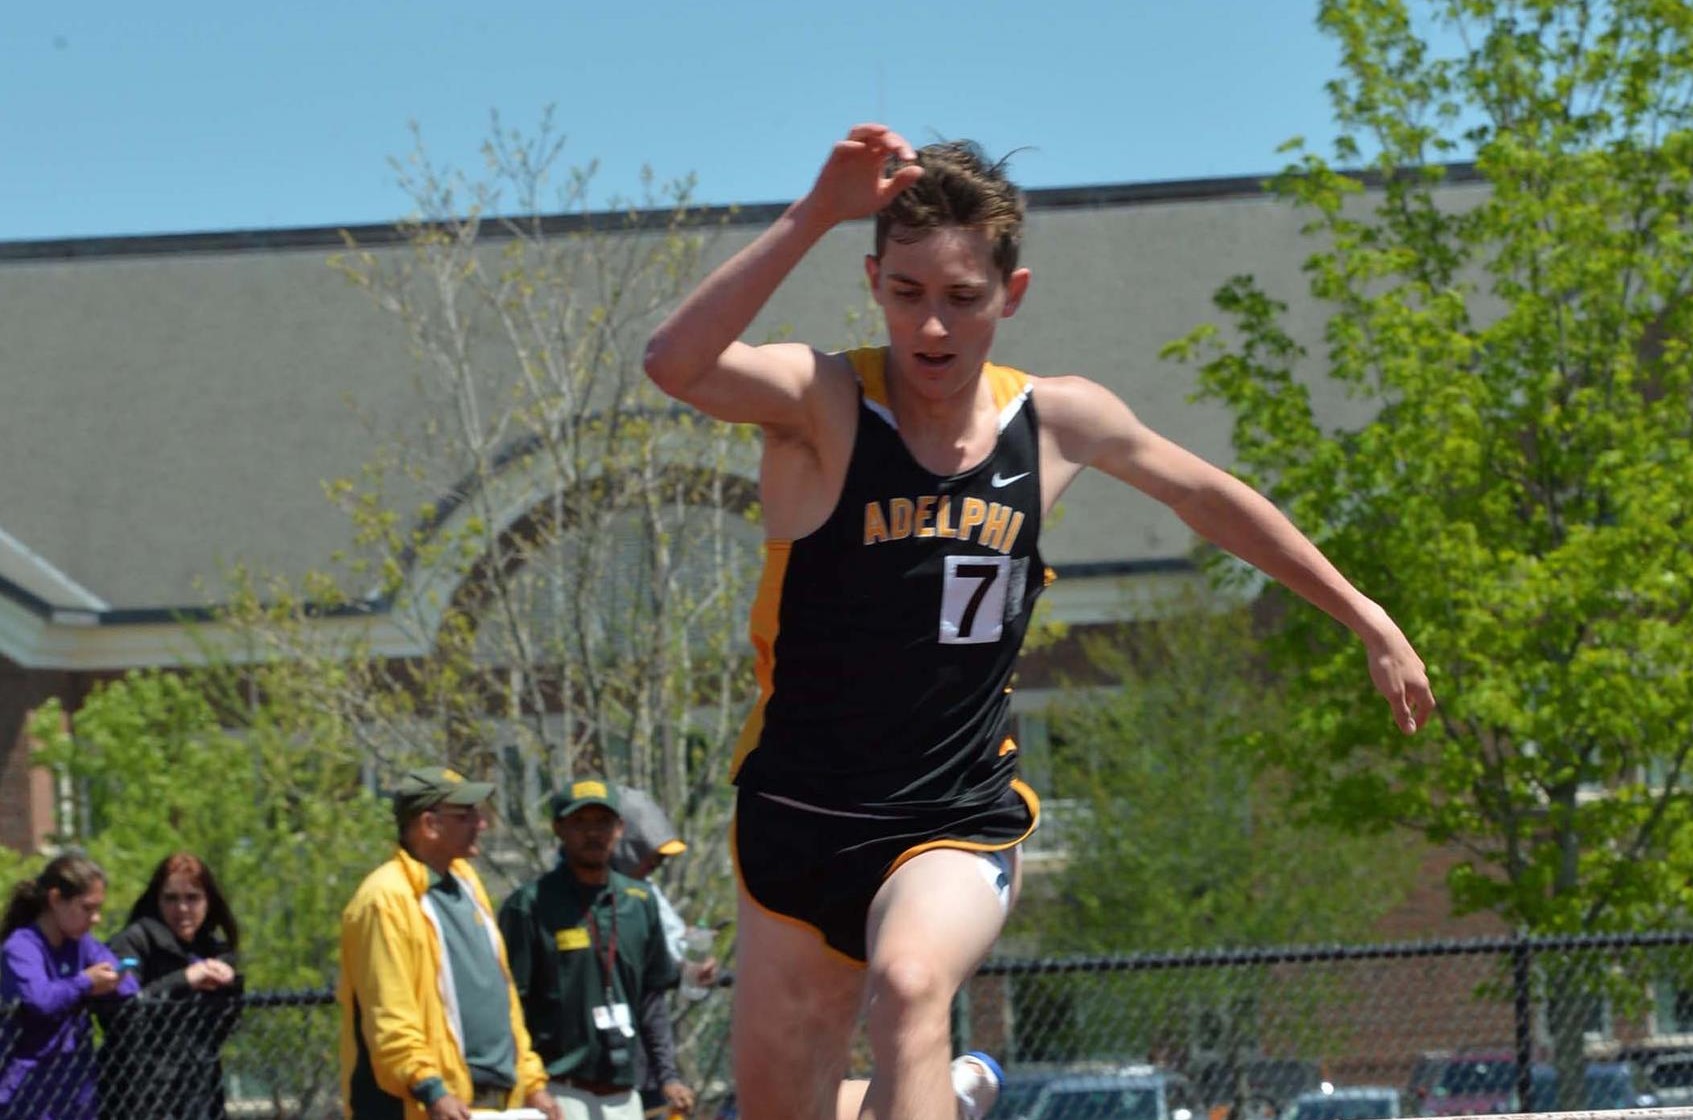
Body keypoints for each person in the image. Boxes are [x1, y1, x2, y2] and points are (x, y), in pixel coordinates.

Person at [640, 125, 1435, 1120]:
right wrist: (814, 214)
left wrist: (1364, 615)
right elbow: (673, 362)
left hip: (952, 818)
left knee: (911, 988)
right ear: (873, 280)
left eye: (962, 298)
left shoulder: (1054, 422)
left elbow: (1205, 497)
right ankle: (952, 1091)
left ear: (1009, 296)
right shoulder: (823, 402)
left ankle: (931, 1074)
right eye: (907, 295)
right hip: (796, 820)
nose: (933, 326)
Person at [337, 766, 562, 1120]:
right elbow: (390, 1014)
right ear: (430, 825)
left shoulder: (467, 884)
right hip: (423, 1107)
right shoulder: (384, 899)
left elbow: (502, 999)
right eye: (465, 815)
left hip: (492, 1102)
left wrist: (533, 1084)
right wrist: (431, 1089)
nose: (481, 823)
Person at [499, 778, 683, 1120]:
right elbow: (509, 1005)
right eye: (580, 823)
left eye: (603, 822)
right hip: (558, 1091)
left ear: (620, 829)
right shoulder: (529, 905)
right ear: (559, 829)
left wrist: (668, 1076)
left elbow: (652, 998)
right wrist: (531, 1086)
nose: (593, 833)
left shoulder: (640, 902)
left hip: (624, 1095)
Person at [98, 852, 245, 1120]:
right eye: (171, 898)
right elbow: (121, 1014)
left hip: (199, 1091)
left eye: (193, 898)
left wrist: (231, 986)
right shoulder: (133, 942)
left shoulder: (212, 949)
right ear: (157, 900)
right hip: (139, 1094)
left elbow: (222, 1029)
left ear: (209, 901)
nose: (183, 909)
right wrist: (185, 980)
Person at [0, 851, 139, 1120]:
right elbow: (40, 1000)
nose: (96, 918)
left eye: (98, 909)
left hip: (75, 1089)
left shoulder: (81, 943)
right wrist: (85, 983)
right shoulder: (21, 946)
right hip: (28, 1091)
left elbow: (128, 986)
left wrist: (111, 981)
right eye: (87, 908)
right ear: (55, 900)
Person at [607, 787, 712, 1117]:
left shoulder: (645, 896)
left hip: (645, 1066)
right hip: (593, 1078)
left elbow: (657, 981)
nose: (655, 865)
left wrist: (694, 965)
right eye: (651, 856)